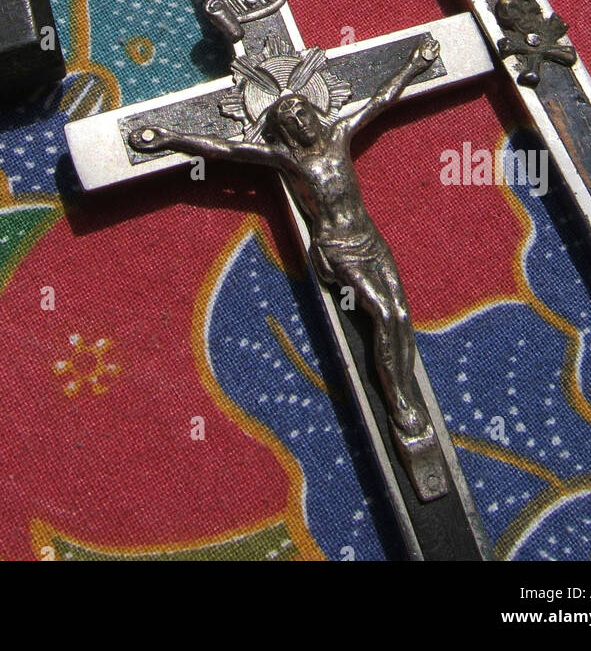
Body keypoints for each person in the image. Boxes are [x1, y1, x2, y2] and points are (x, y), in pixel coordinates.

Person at [129, 36, 442, 462]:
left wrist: (415, 64)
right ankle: (401, 407)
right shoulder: (288, 160)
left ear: (315, 109)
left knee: (402, 315)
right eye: (289, 118)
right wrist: (171, 138)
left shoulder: (339, 134)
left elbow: (382, 99)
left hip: (371, 240)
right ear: (282, 130)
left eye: (302, 110)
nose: (300, 120)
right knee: (383, 315)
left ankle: (404, 392)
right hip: (338, 249)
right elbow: (229, 148)